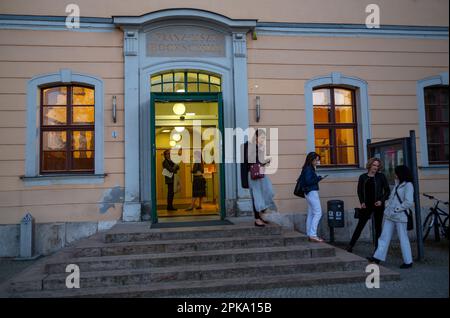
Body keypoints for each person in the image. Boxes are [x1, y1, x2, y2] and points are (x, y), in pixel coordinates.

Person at [367, 165, 414, 269]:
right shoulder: (398, 183)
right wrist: (388, 206)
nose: (395, 174)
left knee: (403, 238)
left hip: (400, 216)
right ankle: (377, 257)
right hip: (390, 215)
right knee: (384, 237)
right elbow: (392, 197)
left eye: (396, 172)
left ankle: (408, 261)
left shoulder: (408, 185)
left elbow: (409, 202)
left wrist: (397, 209)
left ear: (401, 173)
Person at [346, 158, 390, 253]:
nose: (375, 167)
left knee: (378, 227)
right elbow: (359, 191)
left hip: (378, 205)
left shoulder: (381, 176)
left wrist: (381, 201)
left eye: (377, 166)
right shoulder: (363, 177)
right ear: (370, 165)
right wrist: (362, 202)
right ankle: (350, 245)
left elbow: (387, 191)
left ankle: (377, 250)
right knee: (360, 225)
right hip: (366, 205)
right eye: (374, 165)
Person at [243, 129, 275, 227]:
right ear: (256, 137)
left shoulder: (259, 147)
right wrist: (261, 159)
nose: (263, 139)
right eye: (262, 137)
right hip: (253, 174)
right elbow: (250, 161)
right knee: (256, 196)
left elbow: (258, 161)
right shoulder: (250, 147)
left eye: (264, 138)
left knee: (269, 191)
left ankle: (261, 214)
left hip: (260, 172)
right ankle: (257, 218)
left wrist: (265, 162)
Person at [299, 152, 326, 242]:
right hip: (311, 192)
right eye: (316, 160)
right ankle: (313, 234)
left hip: (308, 192)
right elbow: (309, 181)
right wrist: (318, 178)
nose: (317, 162)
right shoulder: (308, 169)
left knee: (311, 213)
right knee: (318, 213)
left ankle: (309, 234)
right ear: (312, 160)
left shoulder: (308, 168)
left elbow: (308, 180)